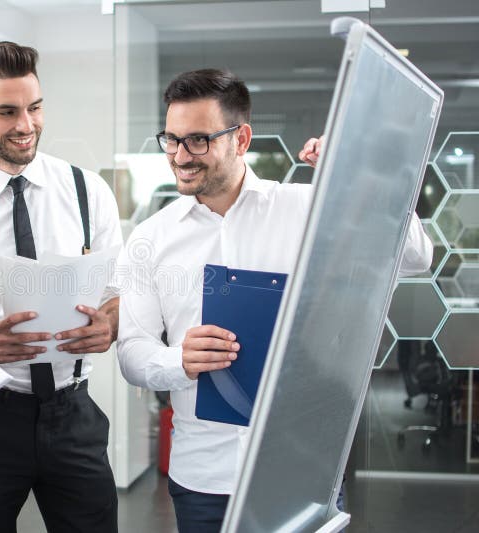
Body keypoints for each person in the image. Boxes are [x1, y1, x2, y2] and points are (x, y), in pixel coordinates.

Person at [115, 69, 433, 533]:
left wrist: (357, 173)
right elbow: (131, 354)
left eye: (199, 140)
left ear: (241, 138)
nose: (180, 156)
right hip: (203, 478)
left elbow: (415, 257)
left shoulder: (308, 209)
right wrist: (178, 360)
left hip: (301, 471)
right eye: (172, 139)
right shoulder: (149, 239)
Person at [0, 41, 121, 532]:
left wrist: (110, 326)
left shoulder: (87, 191)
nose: (26, 125)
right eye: (7, 112)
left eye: (34, 108)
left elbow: (117, 291)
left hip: (73, 411)